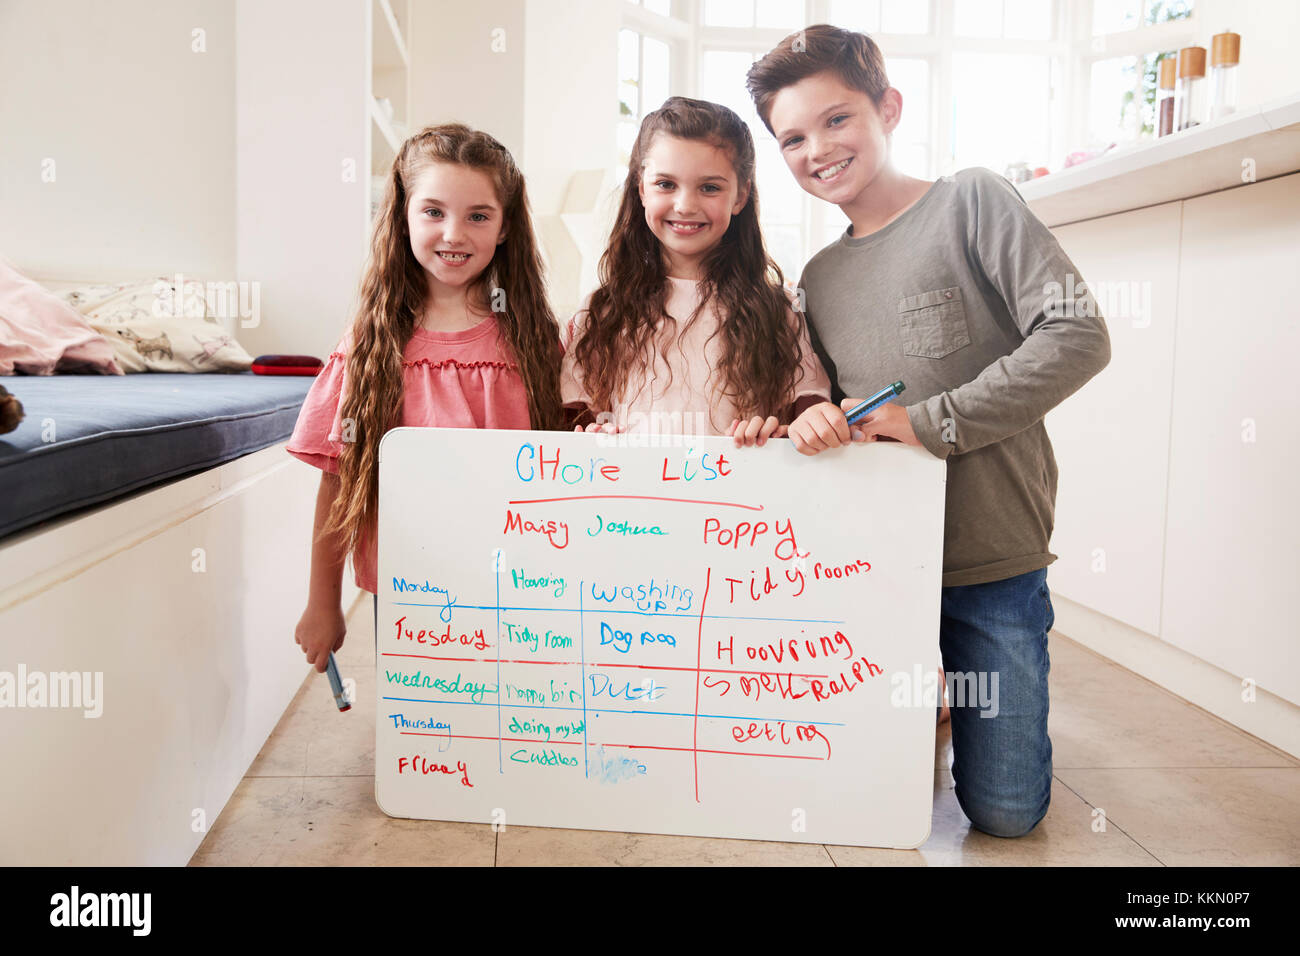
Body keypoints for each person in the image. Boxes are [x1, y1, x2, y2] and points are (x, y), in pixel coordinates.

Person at [743, 25, 1112, 837]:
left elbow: (1079, 336)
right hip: (877, 565)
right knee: (864, 796)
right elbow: (840, 416)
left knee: (1008, 815)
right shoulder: (819, 277)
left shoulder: (972, 200)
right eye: (793, 137)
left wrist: (933, 422)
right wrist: (814, 419)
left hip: (991, 556)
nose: (818, 150)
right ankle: (932, 704)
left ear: (888, 108)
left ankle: (959, 708)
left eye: (837, 120)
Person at [287, 123, 563, 672]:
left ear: (506, 228)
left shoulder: (532, 338)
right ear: (404, 216)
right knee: (426, 730)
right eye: (433, 212)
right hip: (410, 574)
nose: (454, 234)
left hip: (518, 577)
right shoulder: (371, 344)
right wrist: (324, 602)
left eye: (478, 216)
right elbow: (338, 478)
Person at [561, 96, 830, 443]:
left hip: (742, 497)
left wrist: (781, 433)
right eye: (666, 184)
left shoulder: (779, 312)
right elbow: (571, 419)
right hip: (629, 493)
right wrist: (591, 433)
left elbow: (810, 415)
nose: (685, 205)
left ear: (740, 196)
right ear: (641, 188)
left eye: (709, 187)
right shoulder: (600, 311)